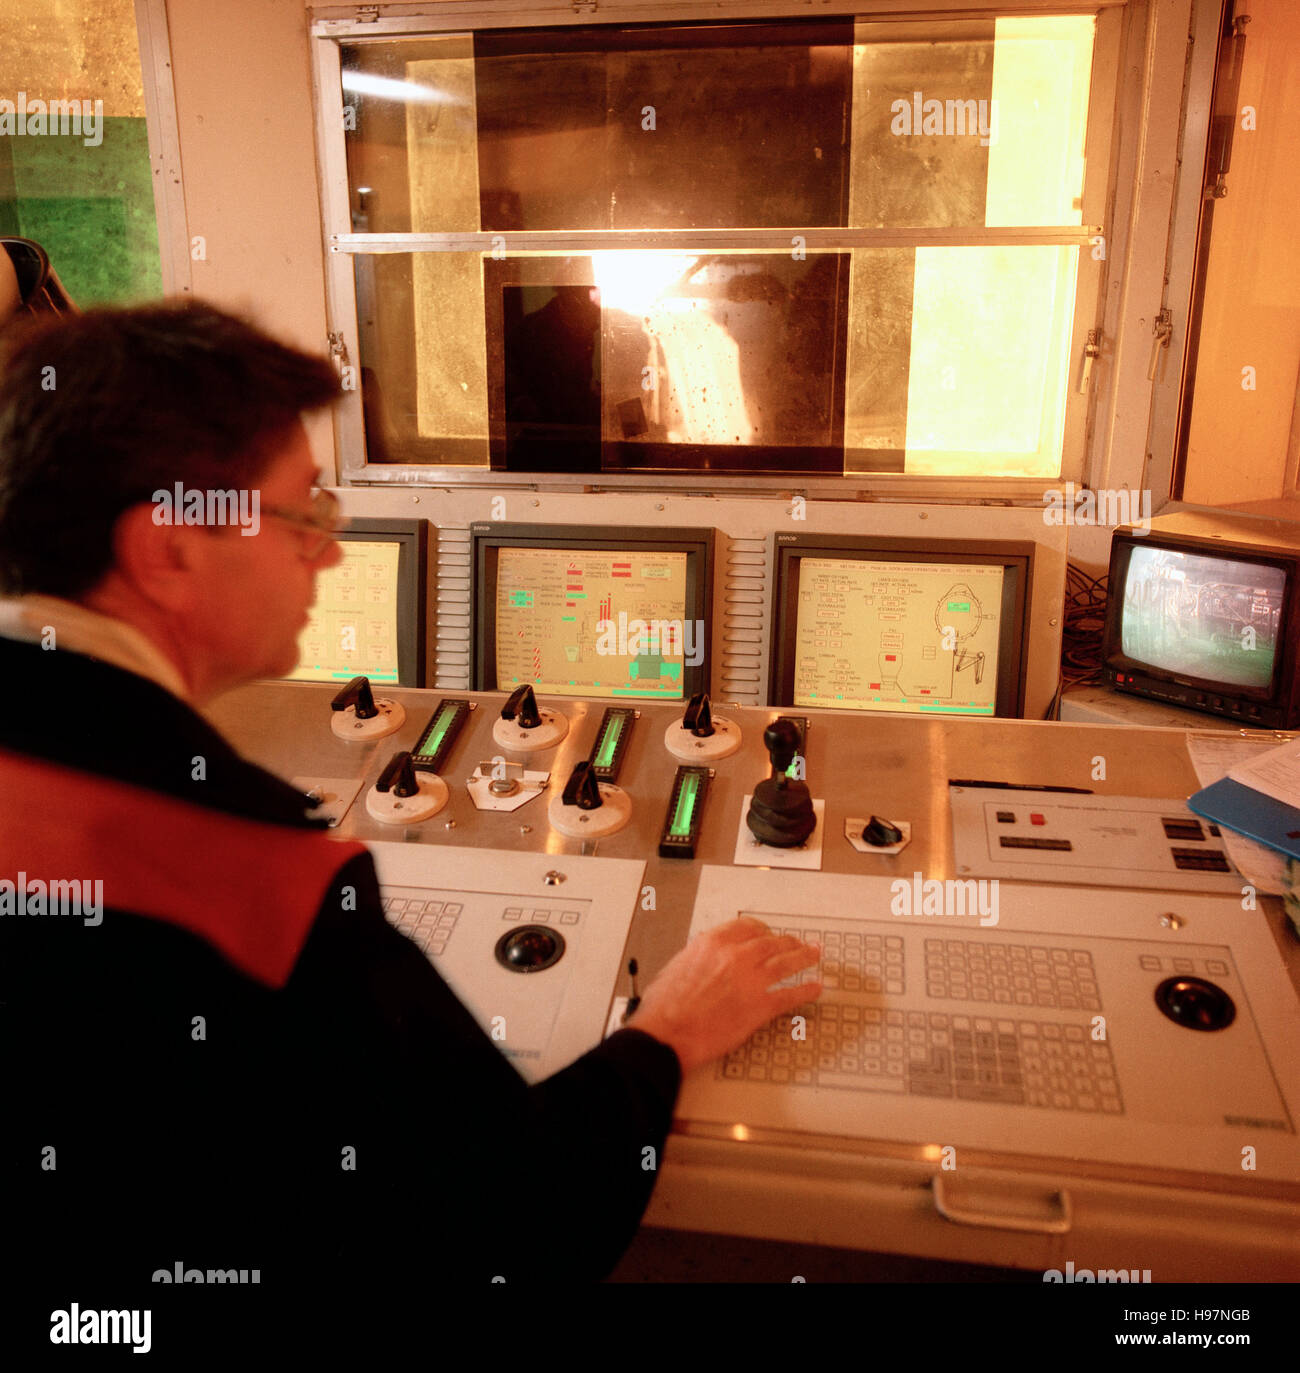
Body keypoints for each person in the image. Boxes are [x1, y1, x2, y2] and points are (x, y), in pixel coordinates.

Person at [0, 301, 821, 1307]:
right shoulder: (247, 872)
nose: (329, 555)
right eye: (301, 512)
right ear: (168, 548)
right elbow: (503, 1218)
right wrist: (668, 1032)